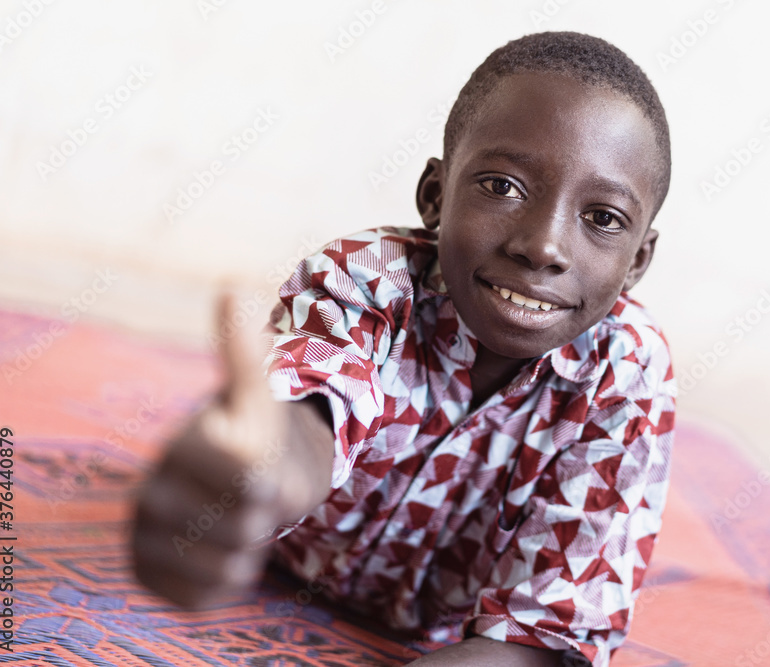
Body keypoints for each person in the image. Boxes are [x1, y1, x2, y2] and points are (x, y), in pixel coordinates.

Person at [133, 31, 676, 667]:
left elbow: (545, 638)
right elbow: (311, 417)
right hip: (286, 563)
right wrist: (258, 471)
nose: (544, 246)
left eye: (603, 219)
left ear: (637, 260)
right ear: (435, 198)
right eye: (503, 186)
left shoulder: (626, 372)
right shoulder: (370, 278)